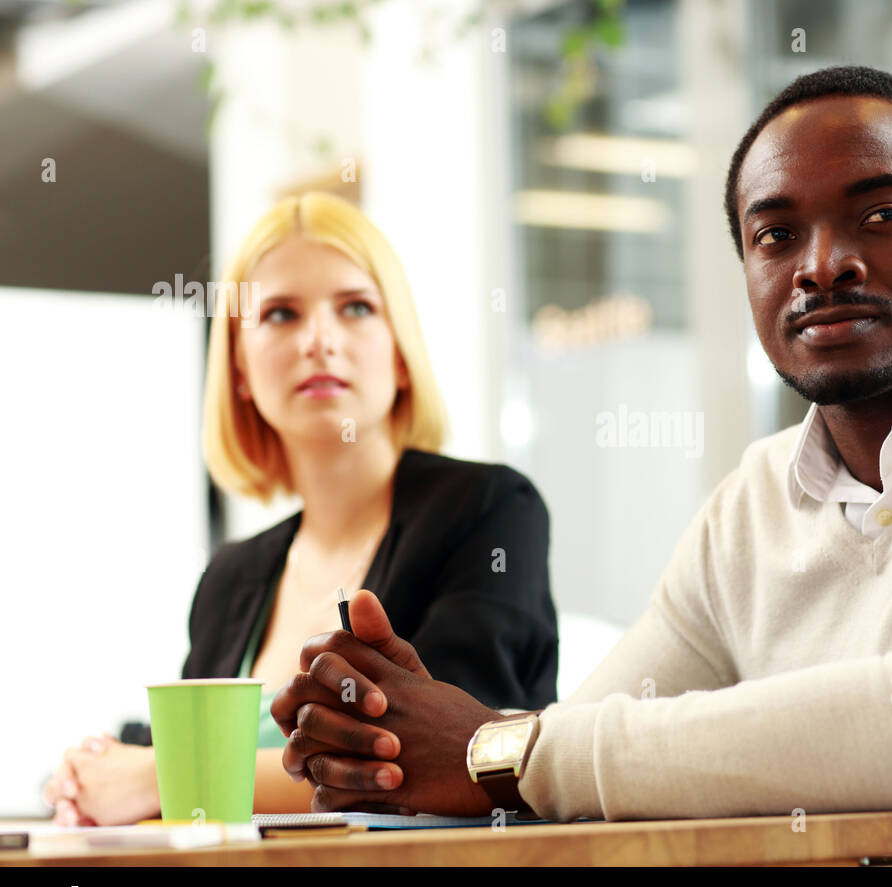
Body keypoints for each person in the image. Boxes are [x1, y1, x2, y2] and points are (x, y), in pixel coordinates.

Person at [270, 67, 892, 865]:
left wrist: (507, 751)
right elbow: (579, 755)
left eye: (880, 214)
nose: (820, 262)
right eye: (775, 234)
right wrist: (395, 744)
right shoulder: (755, 503)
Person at [43, 192, 559, 825]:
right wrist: (94, 775)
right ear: (238, 365)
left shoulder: (488, 510)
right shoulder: (230, 577)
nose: (319, 340)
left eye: (356, 308)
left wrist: (159, 777)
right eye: (282, 314)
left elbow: (444, 758)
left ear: (400, 353)